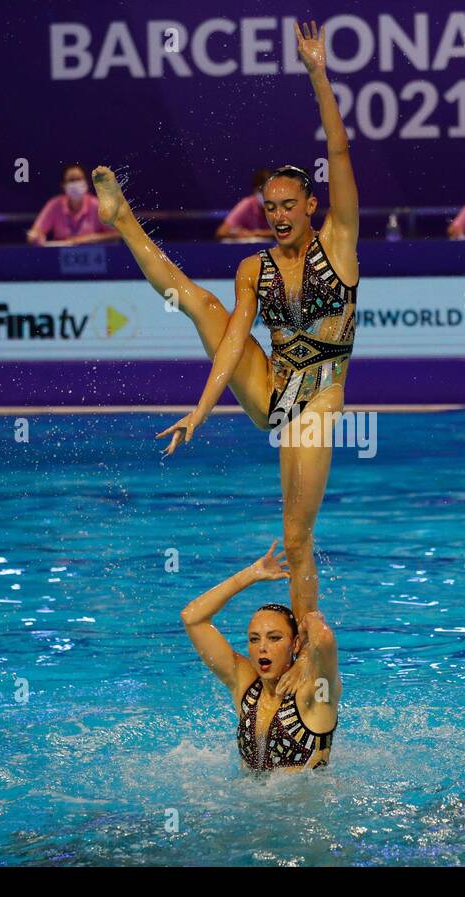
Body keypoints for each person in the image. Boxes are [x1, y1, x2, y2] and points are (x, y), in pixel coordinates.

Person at [90, 19, 357, 621]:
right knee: (198, 302)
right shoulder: (252, 268)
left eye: (291, 205)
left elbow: (338, 152)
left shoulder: (339, 244)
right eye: (271, 208)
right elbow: (235, 338)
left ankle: (306, 653)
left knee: (295, 537)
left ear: (312, 206)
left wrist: (318, 74)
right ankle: (122, 218)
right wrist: (202, 410)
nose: (280, 216)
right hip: (272, 390)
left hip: (317, 400)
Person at [180, 540, 339, 771]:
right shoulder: (246, 684)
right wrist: (251, 574)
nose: (262, 647)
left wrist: (310, 622)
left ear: (295, 644)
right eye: (254, 639)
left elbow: (323, 639)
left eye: (274, 638)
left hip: (304, 807)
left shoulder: (314, 692)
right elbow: (192, 618)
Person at [27, 163, 119, 244]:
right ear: (63, 185)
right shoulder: (54, 205)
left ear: (86, 183)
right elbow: (34, 234)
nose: (75, 183)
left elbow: (117, 234)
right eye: (71, 180)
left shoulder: (97, 206)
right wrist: (36, 237)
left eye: (79, 179)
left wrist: (91, 239)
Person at [215, 169, 274, 240]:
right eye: (261, 191)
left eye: (269, 191)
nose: (265, 195)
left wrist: (258, 233)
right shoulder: (247, 204)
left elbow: (289, 232)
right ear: (255, 190)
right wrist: (238, 234)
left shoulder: (282, 206)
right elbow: (221, 232)